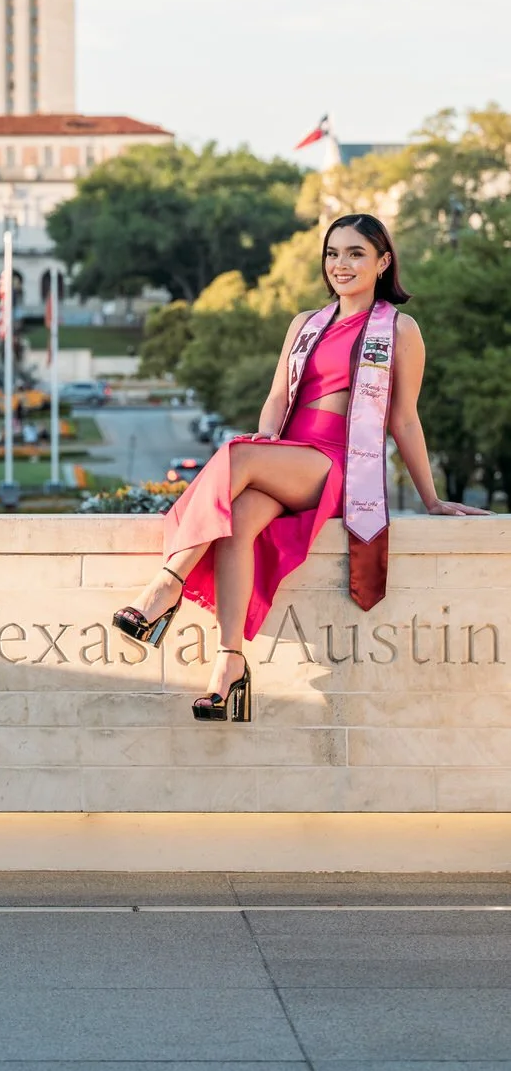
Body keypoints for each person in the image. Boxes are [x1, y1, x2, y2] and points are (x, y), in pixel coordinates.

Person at [112, 213, 487, 724]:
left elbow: (404, 418)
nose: (341, 264)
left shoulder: (399, 329)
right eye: (333, 254)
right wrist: (267, 447)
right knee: (239, 518)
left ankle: (167, 584)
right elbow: (276, 398)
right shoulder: (305, 324)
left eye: (355, 253)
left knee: (237, 455)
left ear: (383, 261)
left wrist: (431, 499)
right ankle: (230, 666)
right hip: (288, 456)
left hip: (337, 465)